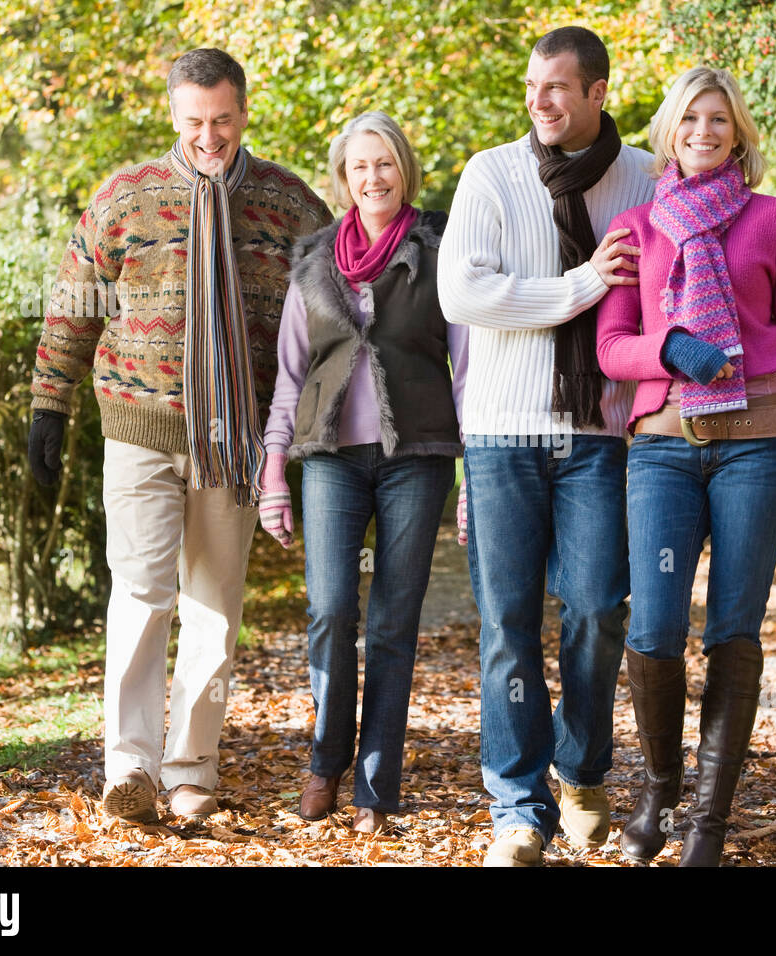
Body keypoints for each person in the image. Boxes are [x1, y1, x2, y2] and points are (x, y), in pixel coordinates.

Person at [27, 48, 331, 823]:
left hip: (234, 436)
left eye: (222, 120)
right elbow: (74, 306)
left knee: (214, 605)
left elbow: (333, 318)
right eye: (195, 121)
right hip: (139, 425)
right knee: (140, 590)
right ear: (174, 115)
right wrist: (48, 413)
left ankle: (192, 765)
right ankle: (128, 766)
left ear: (243, 112)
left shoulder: (288, 203)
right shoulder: (124, 199)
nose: (209, 136)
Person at [597, 66, 776, 866]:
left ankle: (708, 822)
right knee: (656, 628)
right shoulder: (638, 228)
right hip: (665, 450)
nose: (704, 131)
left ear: (738, 132)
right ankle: (659, 793)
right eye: (690, 119)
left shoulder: (775, 220)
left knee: (735, 632)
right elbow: (611, 348)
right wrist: (669, 347)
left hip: (758, 446)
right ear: (668, 131)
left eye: (719, 120)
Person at [437, 26, 656, 866]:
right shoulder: (491, 173)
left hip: (600, 432)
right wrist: (583, 284)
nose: (540, 101)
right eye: (533, 87)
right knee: (507, 624)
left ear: (599, 92)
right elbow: (466, 294)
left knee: (599, 610)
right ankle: (517, 810)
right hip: (501, 434)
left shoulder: (642, 176)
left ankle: (583, 768)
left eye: (559, 87)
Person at [258, 111, 466, 834]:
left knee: (392, 624)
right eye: (358, 167)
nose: (372, 177)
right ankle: (325, 762)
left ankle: (377, 785)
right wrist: (273, 472)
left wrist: (475, 478)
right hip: (330, 462)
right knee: (330, 610)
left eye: (384, 164)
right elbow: (290, 375)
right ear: (341, 179)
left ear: (403, 168)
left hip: (419, 457)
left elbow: (465, 367)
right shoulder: (313, 259)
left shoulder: (439, 248)